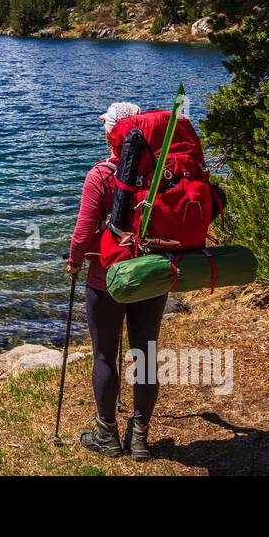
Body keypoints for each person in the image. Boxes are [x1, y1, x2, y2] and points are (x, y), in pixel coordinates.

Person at [65, 101, 168, 461]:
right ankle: (139, 437)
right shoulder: (160, 174)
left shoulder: (101, 175)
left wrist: (75, 262)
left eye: (105, 126)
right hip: (151, 273)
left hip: (106, 275)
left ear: (112, 133)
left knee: (105, 354)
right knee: (146, 353)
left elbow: (82, 233)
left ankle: (107, 433)